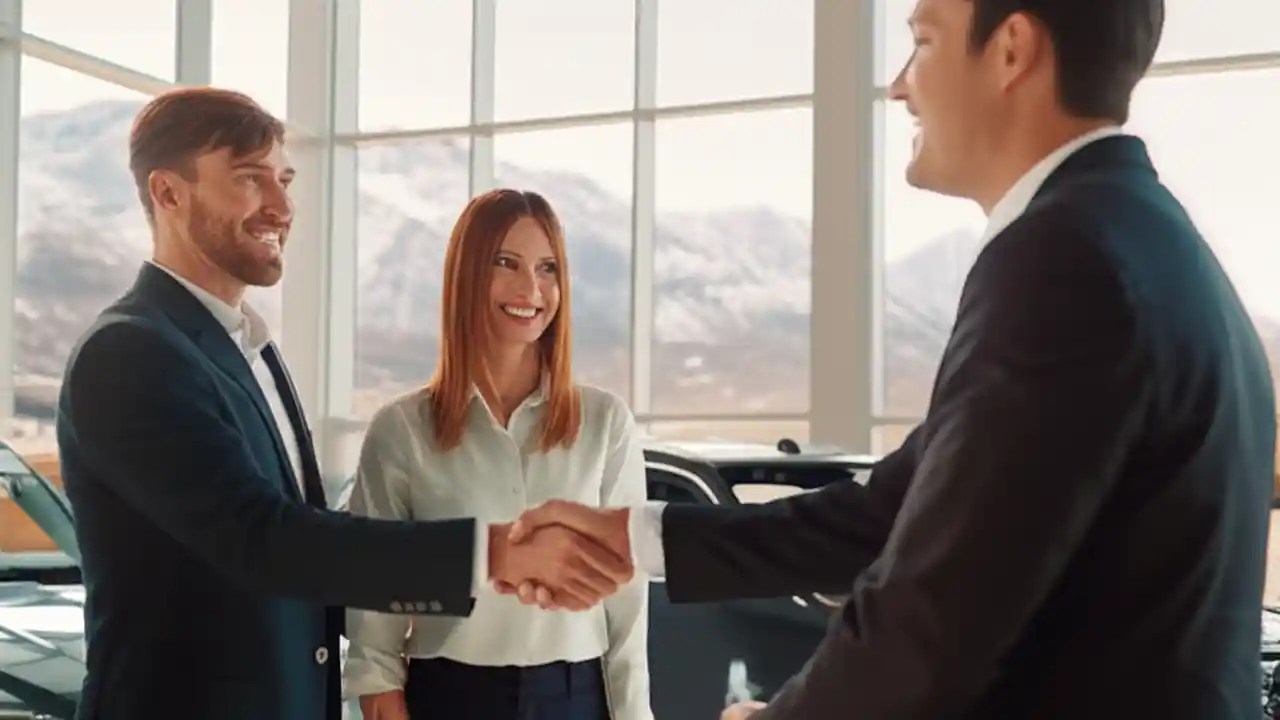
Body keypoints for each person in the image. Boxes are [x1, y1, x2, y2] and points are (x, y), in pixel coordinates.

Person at [504, 0, 1278, 718]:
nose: (900, 85)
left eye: (923, 42)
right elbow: (895, 516)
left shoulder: (1062, 262)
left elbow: (936, 614)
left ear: (1010, 50)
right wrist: (633, 537)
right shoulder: (1149, 243)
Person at [54, 88, 631, 720]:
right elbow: (265, 540)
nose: (282, 206)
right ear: (168, 193)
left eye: (285, 180)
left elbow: (297, 537)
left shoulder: (249, 349)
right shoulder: (131, 354)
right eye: (251, 180)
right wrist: (492, 553)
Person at [342, 188, 652, 720]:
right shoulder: (401, 430)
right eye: (506, 263)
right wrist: (378, 689)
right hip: (447, 695)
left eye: (548, 268)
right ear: (467, 275)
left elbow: (628, 598)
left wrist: (633, 713)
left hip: (575, 697)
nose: (531, 289)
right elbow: (376, 585)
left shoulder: (605, 423)